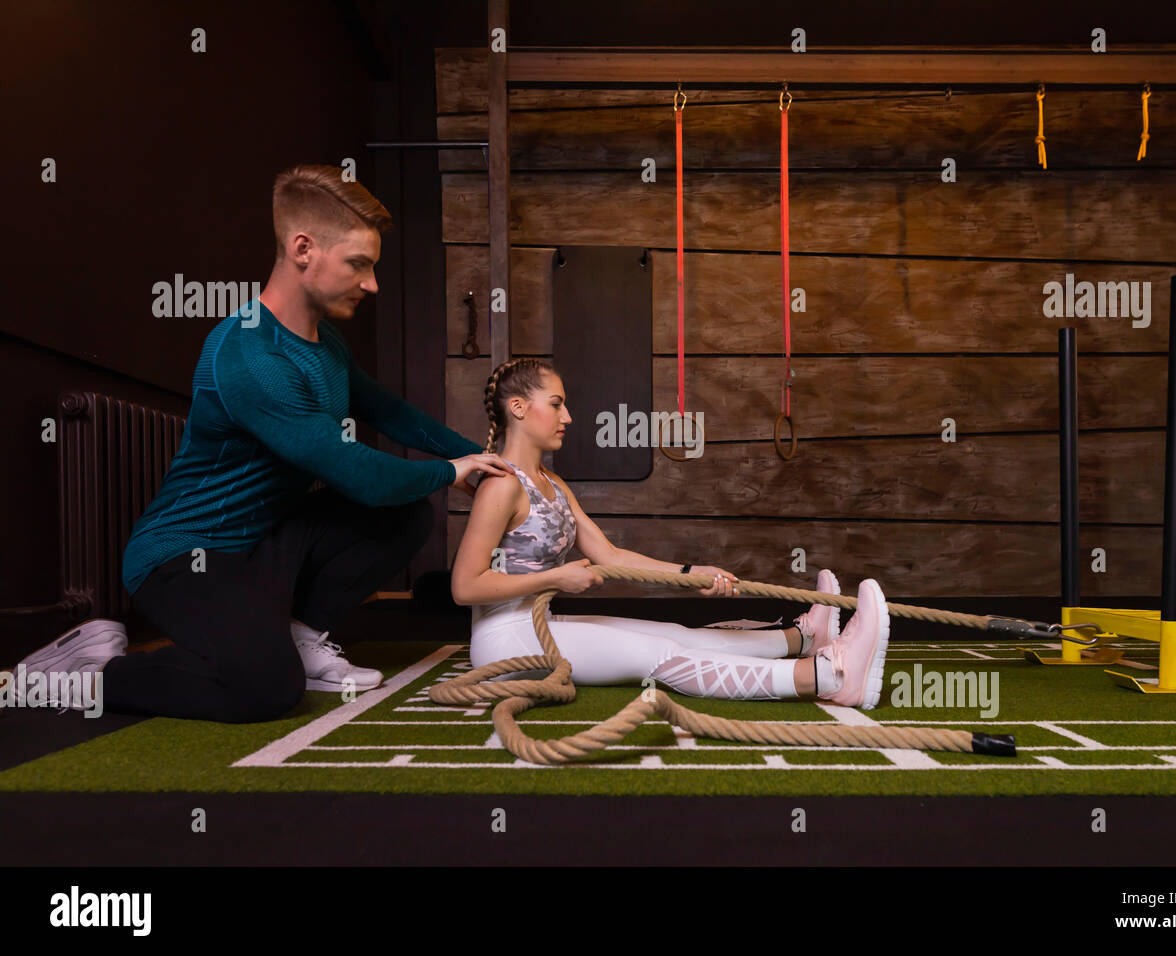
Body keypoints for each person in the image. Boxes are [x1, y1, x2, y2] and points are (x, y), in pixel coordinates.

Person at [18, 164, 510, 721]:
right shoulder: (250, 355)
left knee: (407, 514)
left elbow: (389, 412)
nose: (371, 283)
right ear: (304, 249)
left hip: (266, 540)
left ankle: (299, 637)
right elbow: (361, 476)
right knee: (266, 690)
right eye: (359, 264)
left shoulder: (326, 343)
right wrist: (454, 470)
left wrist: (495, 460)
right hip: (187, 555)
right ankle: (86, 675)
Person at [451, 357, 891, 707]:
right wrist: (554, 579)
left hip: (539, 623)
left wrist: (689, 572)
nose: (568, 415)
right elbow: (465, 586)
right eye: (556, 403)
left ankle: (800, 639)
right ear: (519, 408)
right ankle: (827, 677)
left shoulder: (552, 483)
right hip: (505, 641)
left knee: (674, 634)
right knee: (659, 656)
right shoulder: (501, 484)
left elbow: (610, 555)